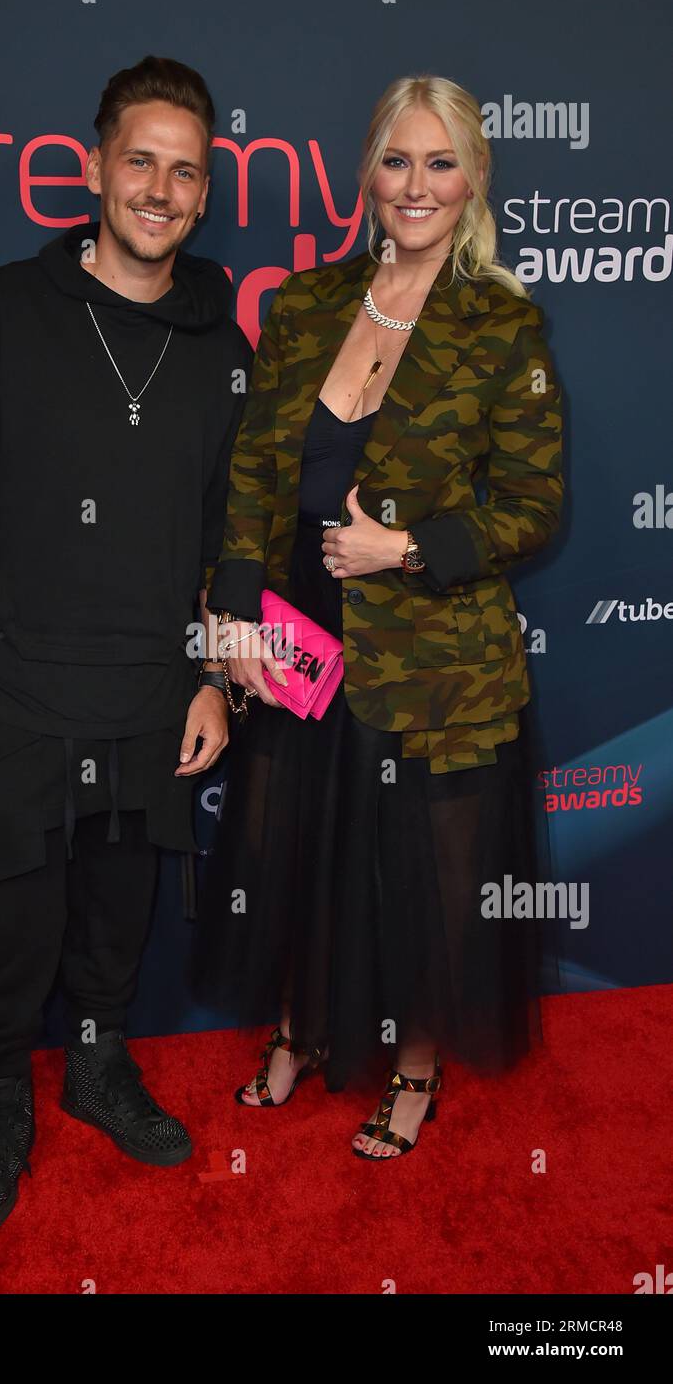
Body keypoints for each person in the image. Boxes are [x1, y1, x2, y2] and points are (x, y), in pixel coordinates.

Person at [0, 54, 250, 1234]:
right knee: (0, 922)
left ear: (203, 192)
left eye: (184, 170)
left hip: (148, 691)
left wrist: (207, 675)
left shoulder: (221, 345)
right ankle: (0, 1098)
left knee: (112, 918)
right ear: (95, 168)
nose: (160, 187)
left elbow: (226, 533)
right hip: (10, 686)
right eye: (140, 160)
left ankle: (95, 1069)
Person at [192, 75, 564, 1160]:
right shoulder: (303, 305)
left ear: (473, 178)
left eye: (439, 162)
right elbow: (255, 472)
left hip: (434, 653)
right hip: (301, 634)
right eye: (395, 161)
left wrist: (403, 547)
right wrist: (230, 610)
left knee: (425, 877)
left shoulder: (502, 325)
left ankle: (413, 1069)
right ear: (365, 175)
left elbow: (535, 509)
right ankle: (301, 1029)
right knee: (289, 847)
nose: (415, 185)